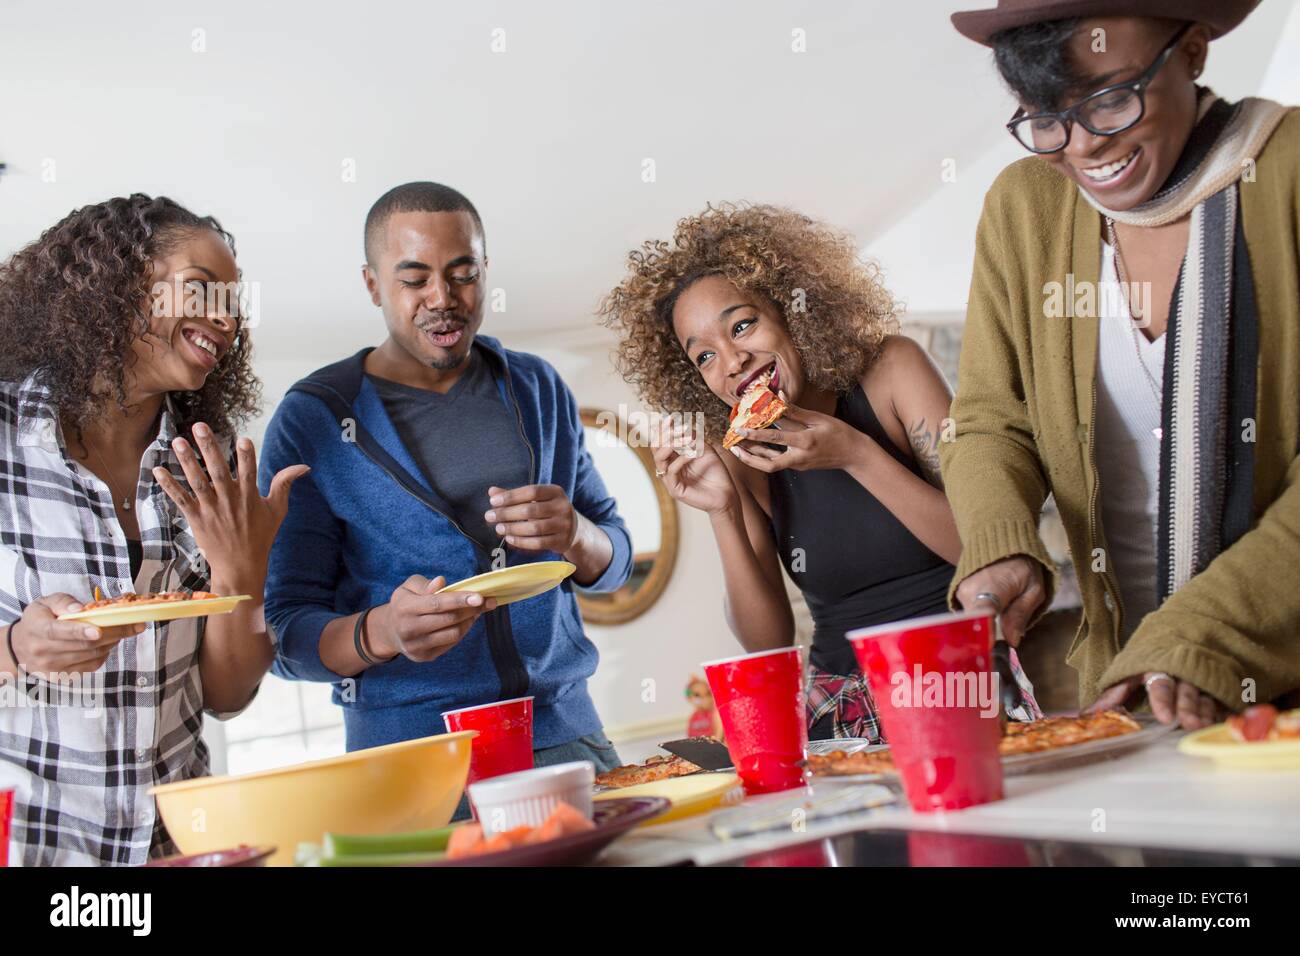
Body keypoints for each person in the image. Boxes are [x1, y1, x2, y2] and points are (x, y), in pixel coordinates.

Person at [944, 0, 1300, 729]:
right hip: (1132, 692)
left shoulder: (1290, 173)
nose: (1079, 146)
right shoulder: (1026, 208)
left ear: (1194, 50)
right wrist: (1000, 542)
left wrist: (1201, 637)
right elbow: (989, 420)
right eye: (1044, 115)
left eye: (1109, 99)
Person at [600, 202, 1041, 741]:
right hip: (840, 712)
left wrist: (856, 455)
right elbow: (768, 642)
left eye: (741, 325)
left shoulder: (893, 371)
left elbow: (985, 543)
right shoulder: (743, 454)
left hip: (961, 683)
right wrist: (723, 511)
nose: (733, 360)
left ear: (791, 309)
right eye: (705, 357)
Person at [259, 182, 633, 772]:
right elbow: (281, 635)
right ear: (372, 284)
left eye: (463, 273)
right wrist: (383, 631)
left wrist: (577, 533)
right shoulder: (313, 419)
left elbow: (613, 564)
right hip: (412, 760)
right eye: (414, 280)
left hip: (567, 737)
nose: (443, 298)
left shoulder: (538, 389)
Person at [0, 195, 305, 865]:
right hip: (35, 845)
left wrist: (240, 575)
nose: (223, 320)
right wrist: (17, 649)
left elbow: (227, 696)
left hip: (177, 843)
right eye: (200, 290)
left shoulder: (207, 459)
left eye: (232, 302)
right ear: (112, 284)